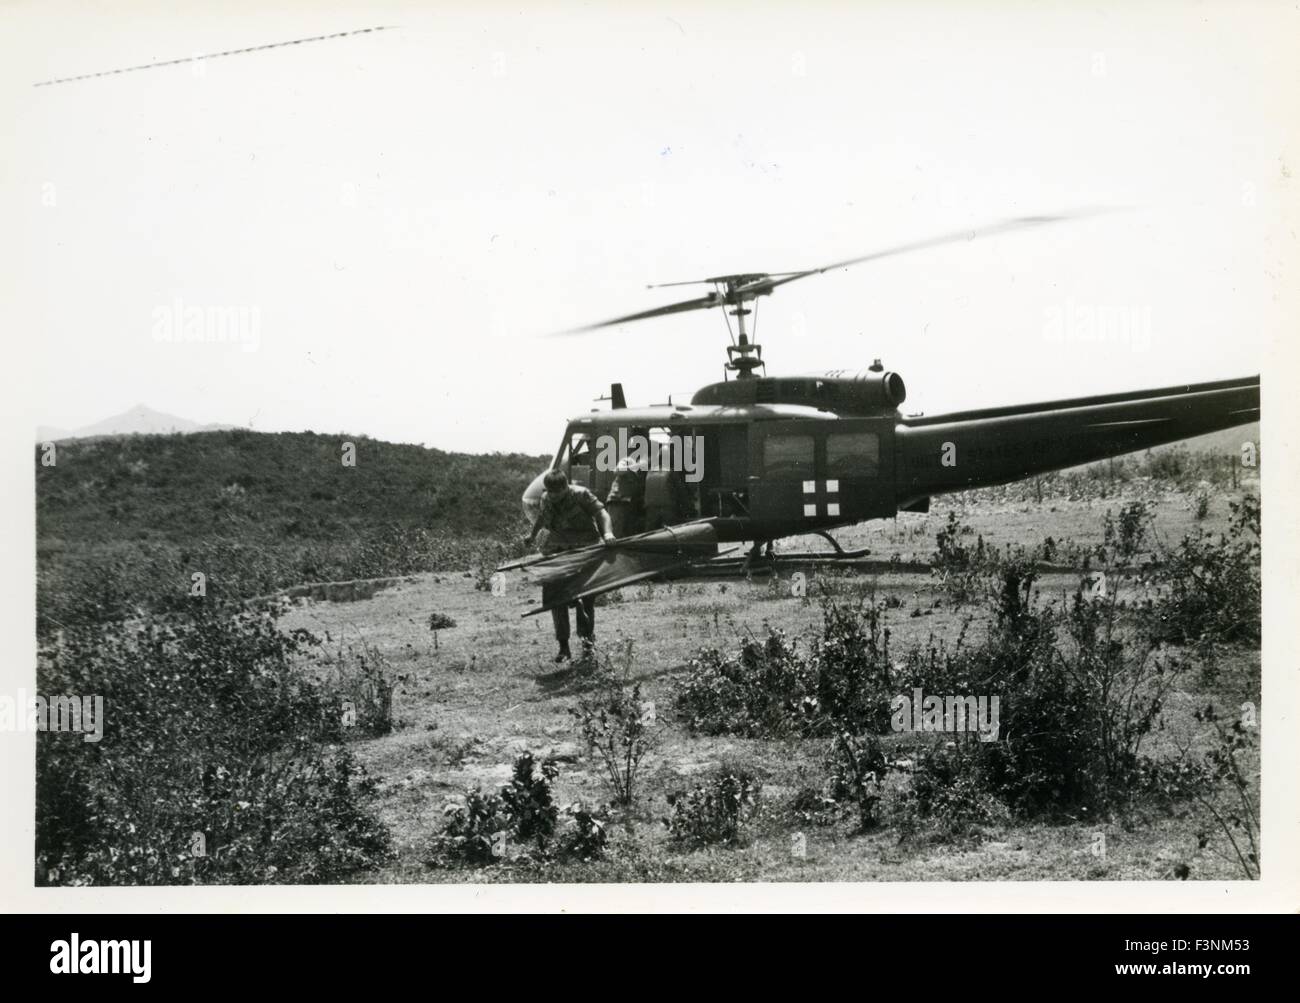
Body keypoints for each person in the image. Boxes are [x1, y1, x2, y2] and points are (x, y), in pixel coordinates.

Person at [524, 469, 615, 662]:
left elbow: (602, 513)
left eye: (559, 492)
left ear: (566, 487)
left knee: (586, 599)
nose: (554, 496)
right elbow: (542, 517)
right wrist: (532, 536)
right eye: (551, 492)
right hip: (556, 551)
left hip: (584, 549)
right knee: (556, 599)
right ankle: (563, 648)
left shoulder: (581, 494)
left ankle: (587, 645)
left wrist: (607, 534)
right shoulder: (546, 498)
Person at [605, 454, 646, 538]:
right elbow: (617, 470)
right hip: (618, 501)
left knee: (628, 533)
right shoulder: (627, 461)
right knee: (616, 532)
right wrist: (638, 465)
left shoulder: (641, 473)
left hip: (630, 504)